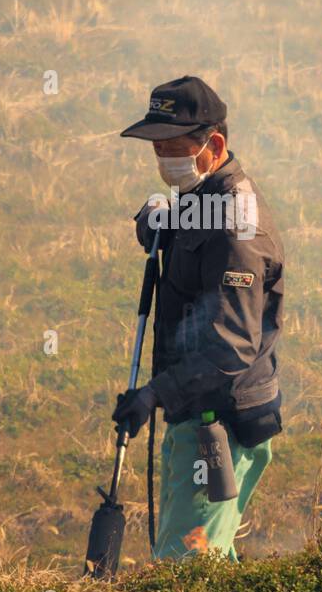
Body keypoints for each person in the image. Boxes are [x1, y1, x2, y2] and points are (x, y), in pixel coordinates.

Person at [112, 75, 285, 560]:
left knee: (185, 568)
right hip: (193, 413)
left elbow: (232, 346)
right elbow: (177, 233)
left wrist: (153, 394)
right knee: (202, 556)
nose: (164, 159)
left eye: (173, 147)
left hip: (221, 423)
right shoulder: (203, 197)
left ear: (215, 145)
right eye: (157, 148)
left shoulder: (238, 227)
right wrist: (152, 217)